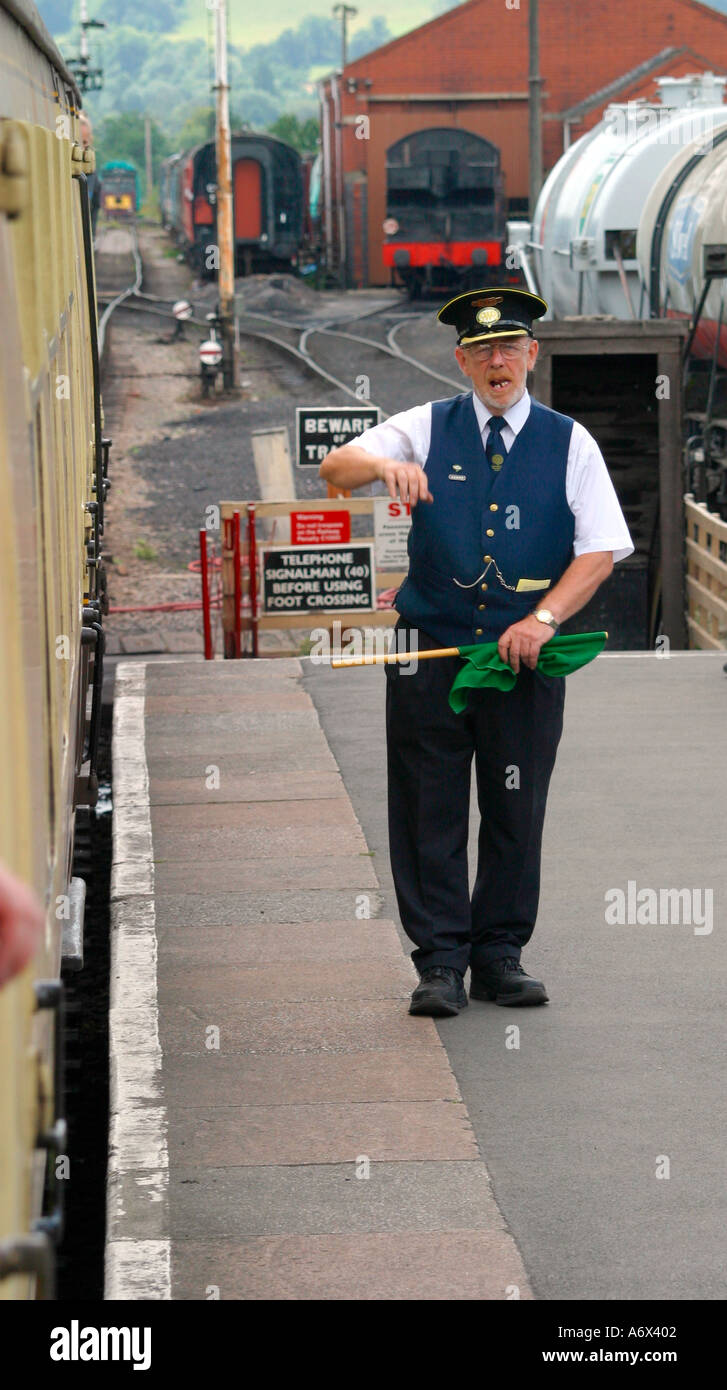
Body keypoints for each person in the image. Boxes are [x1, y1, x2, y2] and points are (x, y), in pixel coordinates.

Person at [320, 287, 634, 1018]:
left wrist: (544, 618)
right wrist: (378, 468)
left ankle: (498, 955)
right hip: (428, 649)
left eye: (510, 348)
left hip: (520, 659)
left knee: (514, 803)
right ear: (461, 360)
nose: (498, 361)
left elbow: (599, 551)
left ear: (532, 355)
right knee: (427, 803)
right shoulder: (424, 428)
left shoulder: (569, 441)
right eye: (482, 350)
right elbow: (336, 470)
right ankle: (439, 963)